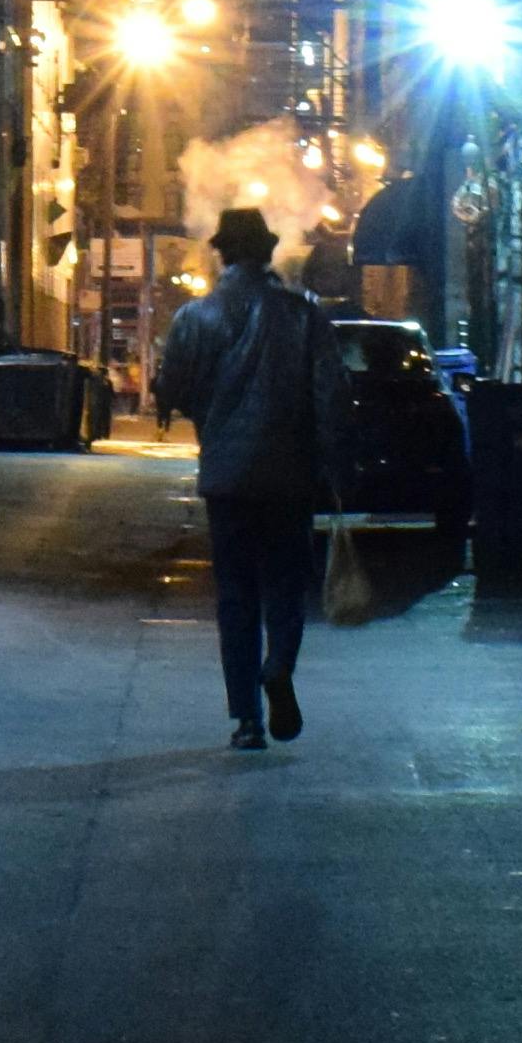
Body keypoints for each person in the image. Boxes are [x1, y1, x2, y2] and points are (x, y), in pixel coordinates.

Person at [151, 204, 333, 748]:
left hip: (227, 477)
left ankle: (247, 720)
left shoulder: (195, 317)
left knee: (235, 595)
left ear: (223, 253)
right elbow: (330, 396)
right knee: (285, 586)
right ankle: (278, 663)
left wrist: (200, 407)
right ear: (268, 252)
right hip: (291, 476)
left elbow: (172, 387)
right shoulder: (304, 314)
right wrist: (337, 464)